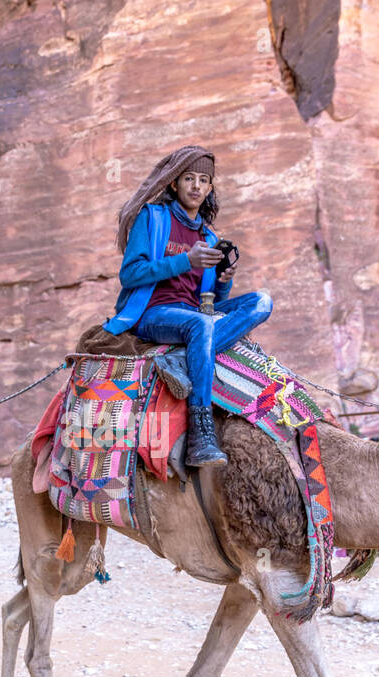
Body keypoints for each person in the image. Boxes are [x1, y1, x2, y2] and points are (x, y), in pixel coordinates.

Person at [104, 145, 273, 467]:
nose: (196, 186)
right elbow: (130, 274)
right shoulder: (152, 217)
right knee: (202, 326)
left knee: (261, 301)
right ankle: (201, 434)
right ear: (174, 184)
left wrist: (223, 279)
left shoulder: (209, 237)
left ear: (210, 188)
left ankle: (182, 359)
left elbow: (213, 303)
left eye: (203, 180)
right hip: (152, 313)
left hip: (195, 314)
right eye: (189, 178)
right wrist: (185, 260)